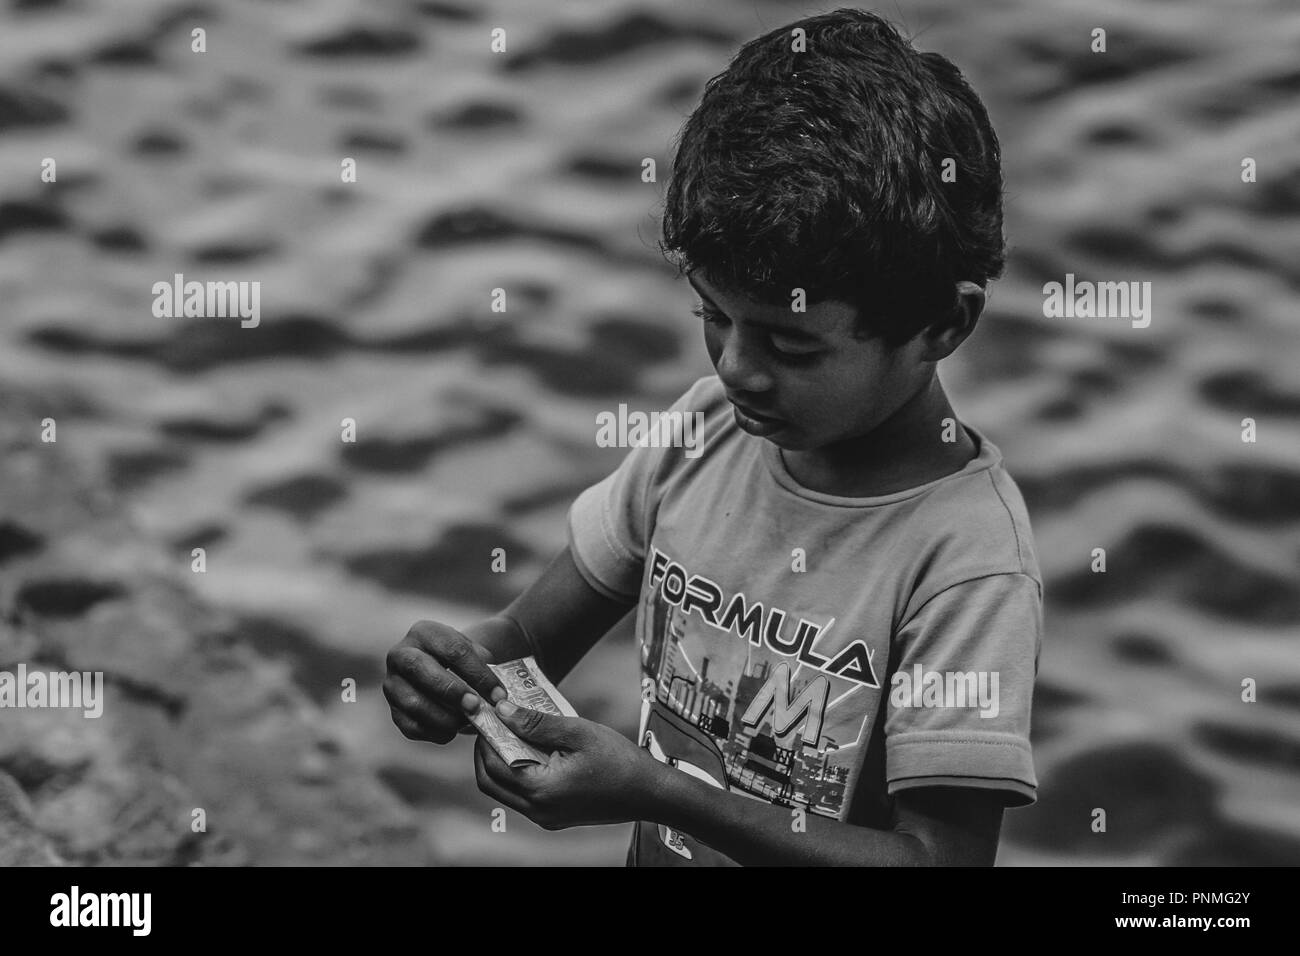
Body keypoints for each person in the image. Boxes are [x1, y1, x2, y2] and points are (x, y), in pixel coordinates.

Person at [384, 7, 1043, 866]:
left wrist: (662, 794)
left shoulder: (965, 560)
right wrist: (456, 674)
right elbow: (527, 639)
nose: (736, 368)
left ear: (943, 324)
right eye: (713, 315)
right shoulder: (701, 435)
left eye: (792, 344)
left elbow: (939, 860)